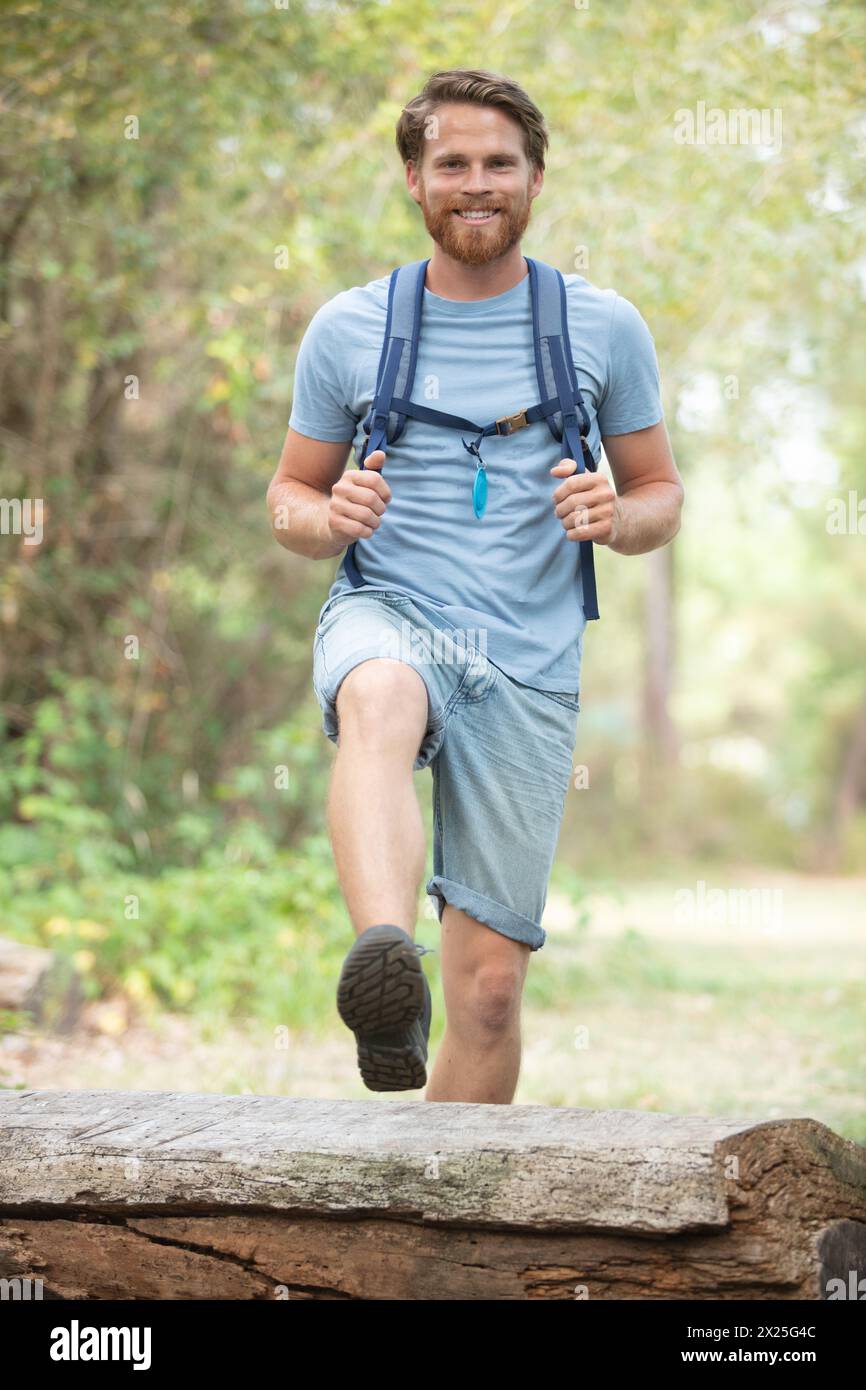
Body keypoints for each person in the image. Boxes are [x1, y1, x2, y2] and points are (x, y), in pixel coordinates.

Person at [266, 68, 684, 1104]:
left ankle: (442, 1235)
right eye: (451, 162)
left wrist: (612, 514)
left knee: (491, 995)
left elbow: (660, 496)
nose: (476, 182)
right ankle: (382, 955)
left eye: (499, 162)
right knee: (378, 692)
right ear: (414, 179)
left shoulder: (601, 328)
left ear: (535, 179)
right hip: (390, 611)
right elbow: (287, 497)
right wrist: (328, 519)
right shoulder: (349, 329)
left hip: (528, 659)